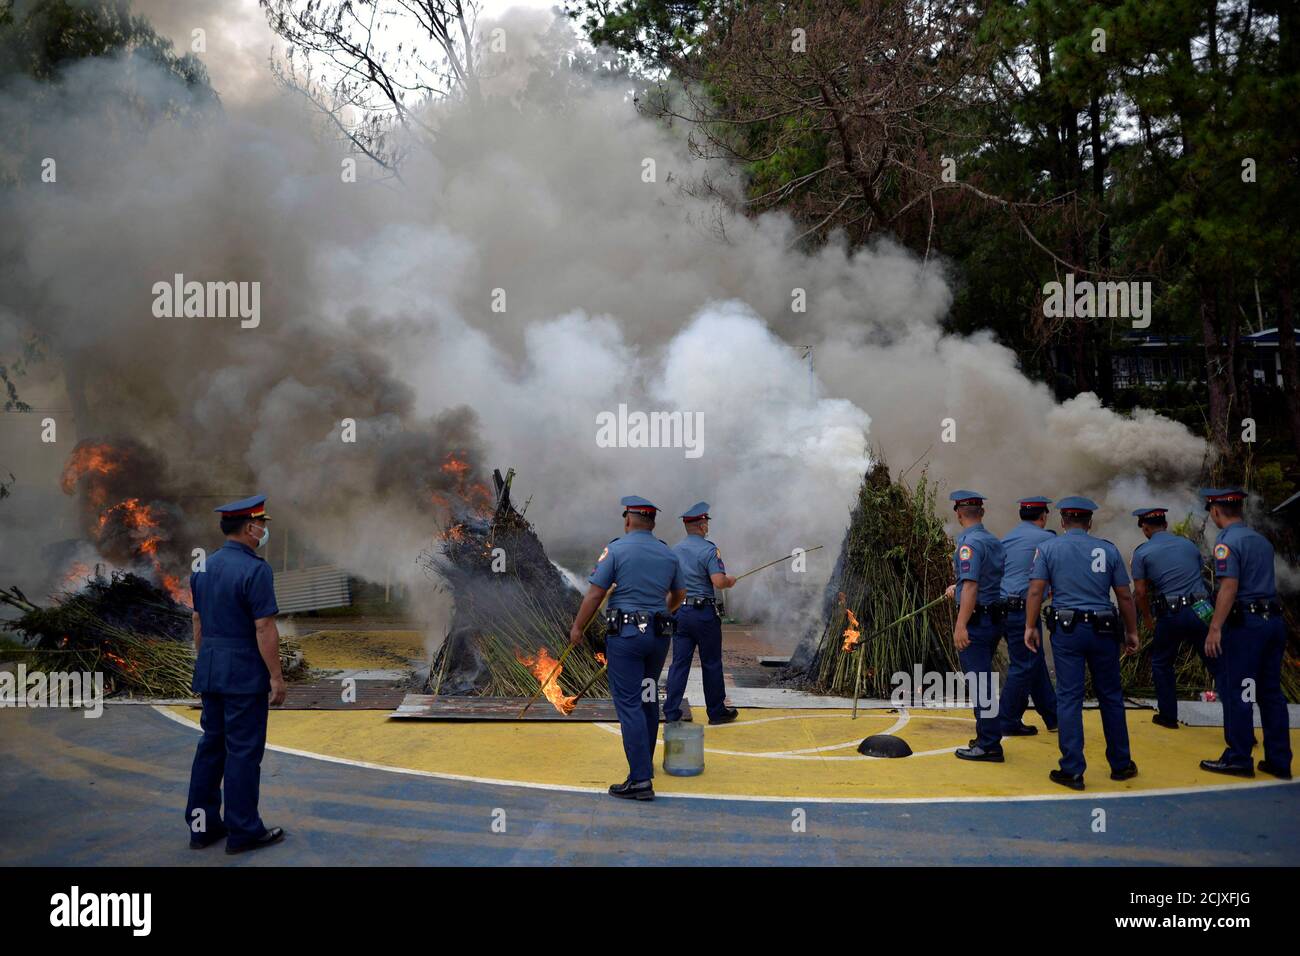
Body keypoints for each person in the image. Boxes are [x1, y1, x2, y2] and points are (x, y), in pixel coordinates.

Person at [185, 494, 286, 854]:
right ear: (249, 527)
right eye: (262, 525)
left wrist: (206, 661)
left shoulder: (203, 569)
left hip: (211, 669)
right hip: (243, 674)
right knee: (243, 751)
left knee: (210, 748)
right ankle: (243, 830)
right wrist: (276, 676)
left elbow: (197, 620)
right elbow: (264, 627)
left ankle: (202, 828)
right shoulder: (256, 570)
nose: (263, 530)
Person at [568, 496, 686, 800]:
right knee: (648, 698)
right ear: (652, 522)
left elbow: (595, 595)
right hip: (658, 638)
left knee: (629, 704)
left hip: (627, 638)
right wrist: (664, 610)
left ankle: (640, 780)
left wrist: (578, 627)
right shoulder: (667, 553)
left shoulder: (616, 550)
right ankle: (644, 764)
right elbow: (680, 593)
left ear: (628, 519)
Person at [1024, 496, 1139, 790]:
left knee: (1069, 697)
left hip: (1067, 631)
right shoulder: (1108, 550)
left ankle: (1073, 769)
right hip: (1104, 630)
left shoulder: (1048, 549)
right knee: (1111, 696)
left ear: (1062, 521)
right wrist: (1132, 632)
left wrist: (1030, 626)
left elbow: (1036, 591)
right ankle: (1121, 764)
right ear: (1090, 522)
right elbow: (1125, 596)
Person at [1197, 488, 1291, 779]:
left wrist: (1214, 628)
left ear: (1215, 511)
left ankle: (1238, 757)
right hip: (1273, 622)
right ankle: (1279, 760)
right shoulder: (1260, 540)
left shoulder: (1226, 542)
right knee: (1270, 693)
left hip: (1246, 627)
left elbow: (1229, 586)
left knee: (1239, 690)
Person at [1129, 507, 1213, 730]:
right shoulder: (1188, 545)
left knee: (1162, 662)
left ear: (1145, 528)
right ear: (1165, 525)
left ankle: (1168, 716)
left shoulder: (1142, 553)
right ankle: (1239, 723)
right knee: (1217, 662)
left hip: (1172, 611)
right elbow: (1197, 573)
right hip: (1203, 607)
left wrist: (1147, 617)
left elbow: (1140, 593)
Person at [663, 502, 739, 726]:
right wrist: (729, 581)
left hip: (681, 612)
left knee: (679, 663)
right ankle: (716, 712)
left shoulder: (674, 551)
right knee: (711, 663)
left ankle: (671, 712)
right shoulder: (709, 549)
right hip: (704, 613)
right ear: (702, 525)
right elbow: (718, 581)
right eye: (705, 523)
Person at [949, 490, 1007, 763]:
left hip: (977, 621)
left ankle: (989, 744)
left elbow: (972, 585)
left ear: (959, 514)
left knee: (980, 682)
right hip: (994, 618)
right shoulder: (993, 541)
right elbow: (980, 579)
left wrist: (961, 625)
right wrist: (957, 587)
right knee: (984, 680)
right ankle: (986, 735)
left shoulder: (968, 544)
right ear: (981, 513)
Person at [997, 496, 1059, 736]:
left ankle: (1053, 717)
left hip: (1001, 608)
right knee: (1023, 665)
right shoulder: (1049, 540)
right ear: (1043, 516)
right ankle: (1006, 721)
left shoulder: (1007, 538)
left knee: (1034, 661)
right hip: (1022, 610)